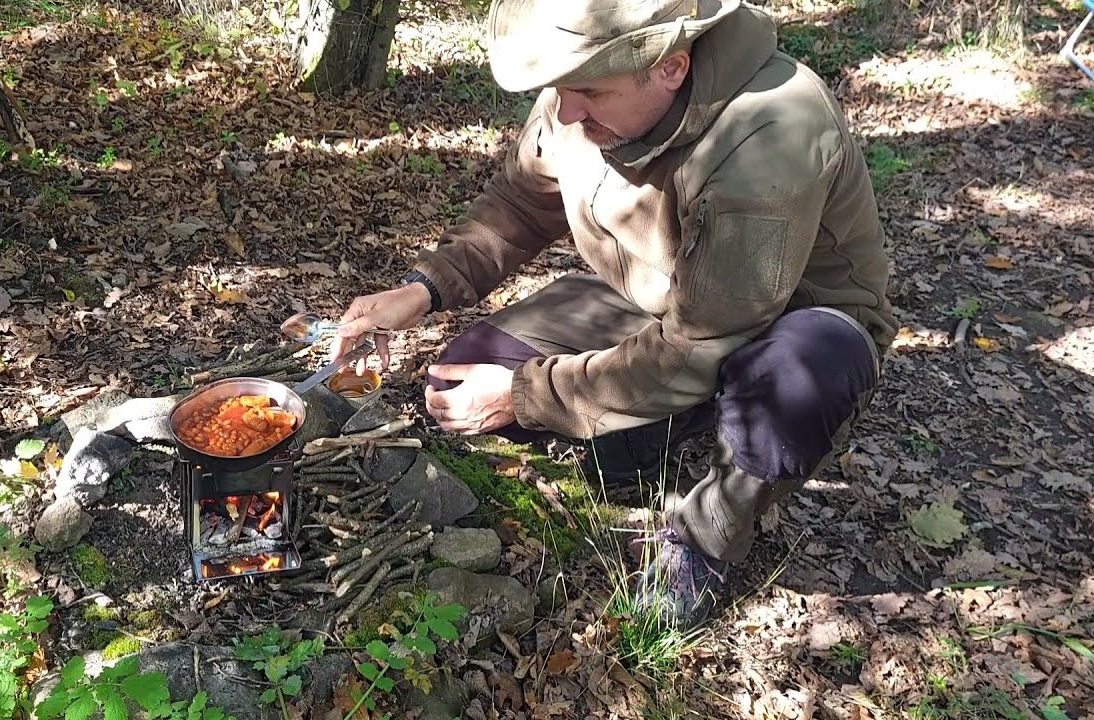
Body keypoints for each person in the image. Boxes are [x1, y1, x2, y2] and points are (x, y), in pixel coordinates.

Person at [326, 0, 897, 630]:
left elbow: (704, 339)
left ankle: (706, 539)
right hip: (656, 302)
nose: (567, 112)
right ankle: (657, 426)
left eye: (591, 93)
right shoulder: (580, 92)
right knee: (458, 375)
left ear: (671, 67)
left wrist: (526, 395)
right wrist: (423, 289)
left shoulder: (769, 134)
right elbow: (519, 205)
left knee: (793, 384)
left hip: (790, 323)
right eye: (561, 90)